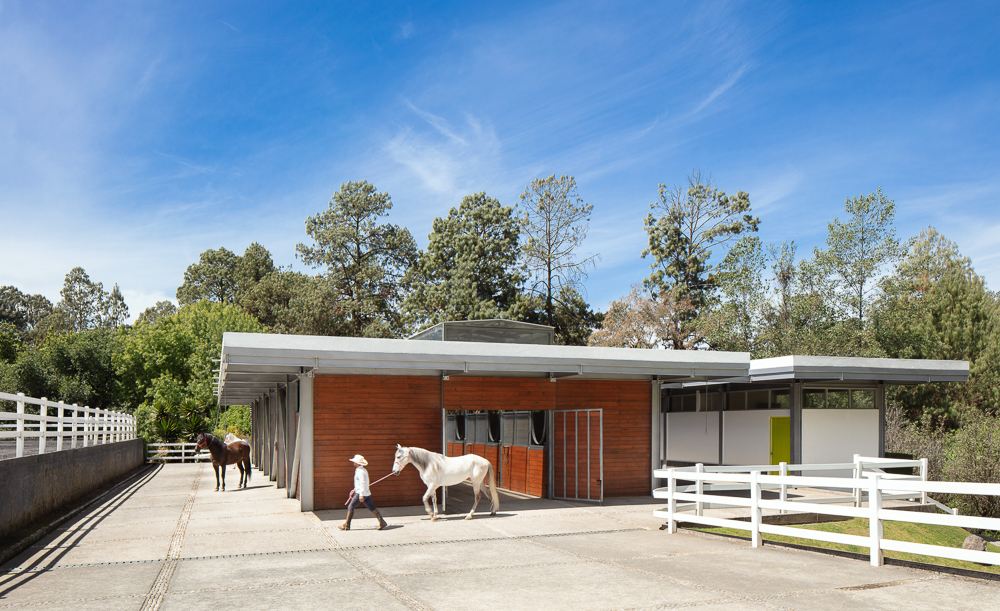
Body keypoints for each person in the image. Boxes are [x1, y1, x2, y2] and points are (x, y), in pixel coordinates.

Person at [339, 454, 388, 531]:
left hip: (360, 493)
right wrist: (355, 489)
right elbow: (361, 483)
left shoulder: (360, 472)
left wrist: (361, 494)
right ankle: (382, 522)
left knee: (351, 507)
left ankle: (346, 525)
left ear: (357, 463)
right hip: (366, 493)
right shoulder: (363, 470)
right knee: (371, 508)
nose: (353, 463)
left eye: (354, 462)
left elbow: (363, 483)